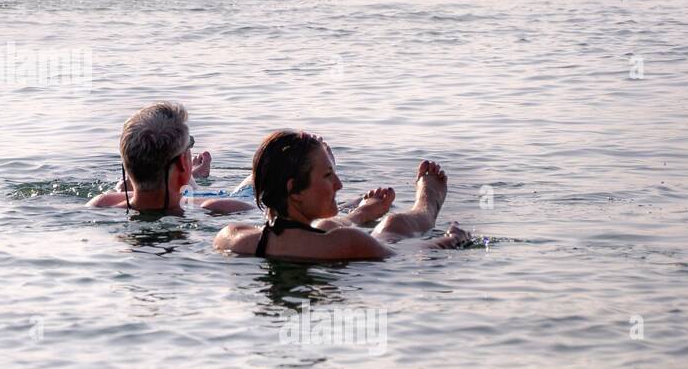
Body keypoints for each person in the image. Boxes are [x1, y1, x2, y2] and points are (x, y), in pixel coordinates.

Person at [213, 130, 470, 260]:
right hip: (345, 246)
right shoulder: (348, 242)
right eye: (327, 176)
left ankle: (361, 212)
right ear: (294, 190)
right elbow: (411, 254)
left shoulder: (232, 237)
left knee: (325, 224)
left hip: (287, 237)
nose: (339, 185)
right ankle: (428, 202)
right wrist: (452, 239)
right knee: (395, 224)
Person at [87, 102, 229, 216]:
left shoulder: (101, 204)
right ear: (184, 165)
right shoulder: (219, 207)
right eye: (189, 145)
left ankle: (185, 176)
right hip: (186, 198)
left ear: (126, 164)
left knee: (121, 189)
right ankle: (189, 178)